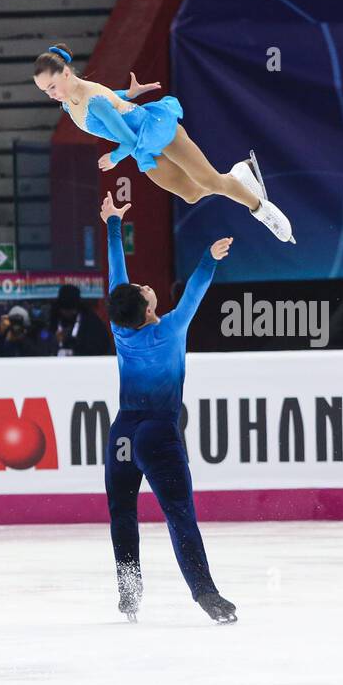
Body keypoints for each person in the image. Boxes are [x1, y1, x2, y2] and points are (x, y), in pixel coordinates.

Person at [99, 192, 237, 624]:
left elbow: (116, 279)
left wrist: (113, 224)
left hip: (122, 432)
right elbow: (196, 288)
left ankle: (129, 593)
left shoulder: (122, 330)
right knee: (179, 516)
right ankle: (206, 595)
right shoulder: (173, 328)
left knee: (123, 512)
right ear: (147, 308)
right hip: (158, 432)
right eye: (142, 289)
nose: (142, 283)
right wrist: (209, 258)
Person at [34, 43, 294, 243]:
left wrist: (114, 159)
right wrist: (128, 94)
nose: (51, 95)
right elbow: (112, 98)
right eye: (46, 91)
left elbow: (127, 138)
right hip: (142, 148)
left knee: (210, 182)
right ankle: (238, 175)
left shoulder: (93, 101)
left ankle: (261, 209)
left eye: (52, 87)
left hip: (156, 130)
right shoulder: (69, 101)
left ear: (66, 73)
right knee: (191, 194)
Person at [45, 284, 111, 357]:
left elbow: (99, 347)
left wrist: (73, 342)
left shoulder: (91, 322)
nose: (68, 313)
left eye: (71, 309)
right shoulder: (52, 319)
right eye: (64, 309)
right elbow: (42, 341)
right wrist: (53, 340)